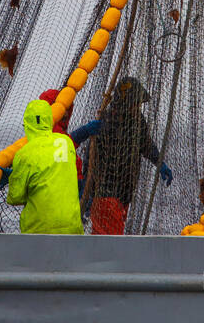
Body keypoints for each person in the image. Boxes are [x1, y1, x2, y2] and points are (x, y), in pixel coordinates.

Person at [70, 77, 172, 235]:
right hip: (105, 198)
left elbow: (146, 145)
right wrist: (88, 196)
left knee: (108, 244)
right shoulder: (105, 122)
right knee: (110, 248)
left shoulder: (138, 121)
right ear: (126, 102)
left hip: (122, 198)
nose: (138, 106)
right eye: (135, 103)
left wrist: (160, 163)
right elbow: (90, 162)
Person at [5, 98, 84, 235]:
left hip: (39, 231)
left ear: (27, 124)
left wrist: (12, 176)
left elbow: (15, 197)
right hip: (72, 228)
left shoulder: (24, 154)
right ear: (50, 120)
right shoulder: (66, 143)